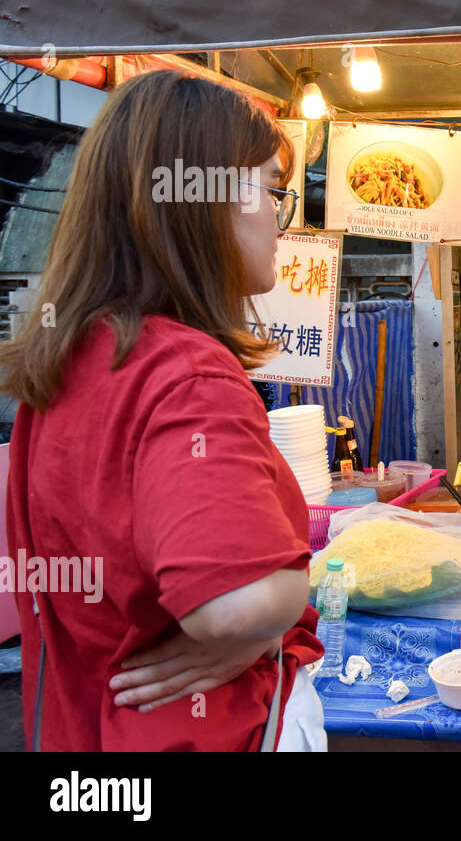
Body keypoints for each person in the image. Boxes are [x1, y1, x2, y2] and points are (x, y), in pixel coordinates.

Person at [0, 69, 325, 750]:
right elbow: (230, 603)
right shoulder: (187, 373)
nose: (280, 216)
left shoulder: (73, 359)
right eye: (271, 189)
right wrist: (277, 616)